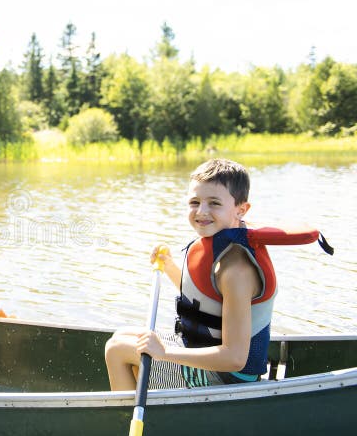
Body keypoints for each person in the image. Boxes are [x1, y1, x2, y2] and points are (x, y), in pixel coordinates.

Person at [104, 158, 332, 390]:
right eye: (194, 202)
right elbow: (206, 300)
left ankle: (125, 421)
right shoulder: (223, 246)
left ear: (241, 210)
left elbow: (234, 358)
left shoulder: (236, 271)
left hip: (227, 378)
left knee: (118, 351)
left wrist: (164, 353)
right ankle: (153, 402)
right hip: (206, 356)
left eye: (214, 203)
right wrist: (170, 265)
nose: (201, 212)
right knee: (122, 336)